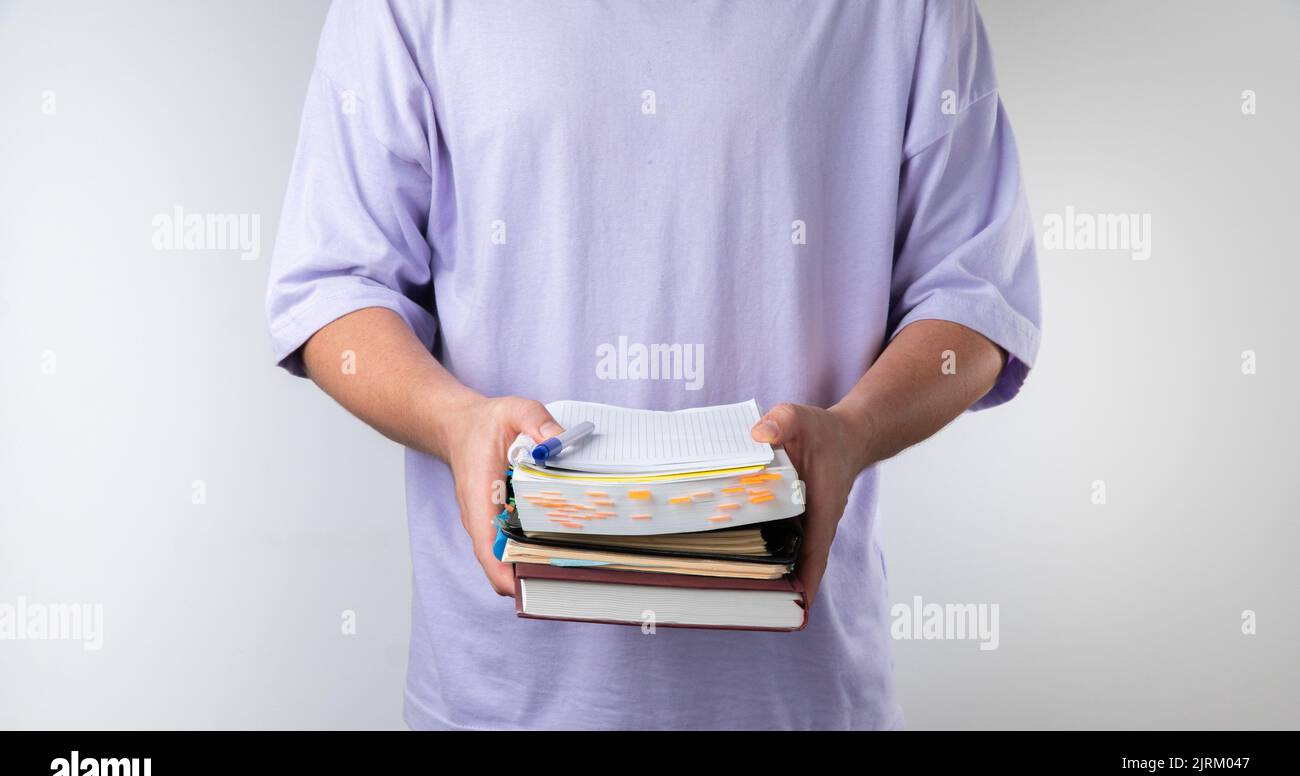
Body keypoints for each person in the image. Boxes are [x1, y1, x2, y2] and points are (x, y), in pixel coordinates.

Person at [266, 0, 1041, 730]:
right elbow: (336, 282)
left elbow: (974, 292)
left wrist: (855, 430)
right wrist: (454, 421)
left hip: (797, 693)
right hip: (501, 696)